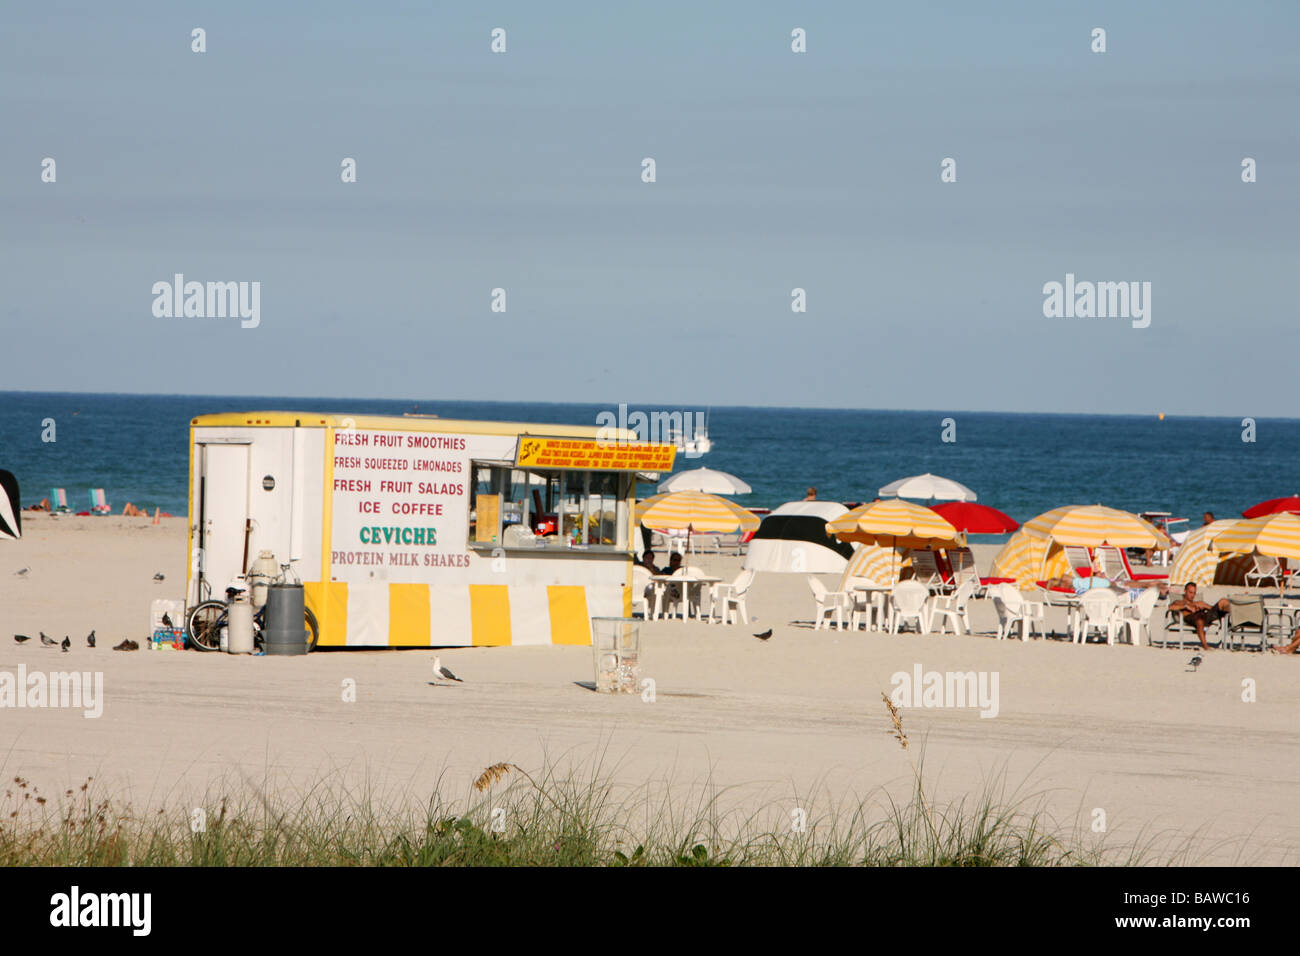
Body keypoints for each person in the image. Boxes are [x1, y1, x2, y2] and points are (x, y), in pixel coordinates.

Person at [1168, 582, 1229, 651]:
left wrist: (1204, 606)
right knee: (1200, 621)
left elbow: (1212, 609)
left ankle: (1235, 619)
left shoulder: (1199, 602)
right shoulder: (1180, 602)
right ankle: (1205, 646)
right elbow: (1171, 607)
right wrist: (1186, 606)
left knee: (1223, 601)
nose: (1192, 595)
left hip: (1206, 619)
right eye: (1190, 592)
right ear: (1185, 591)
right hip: (1193, 618)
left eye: (1194, 593)